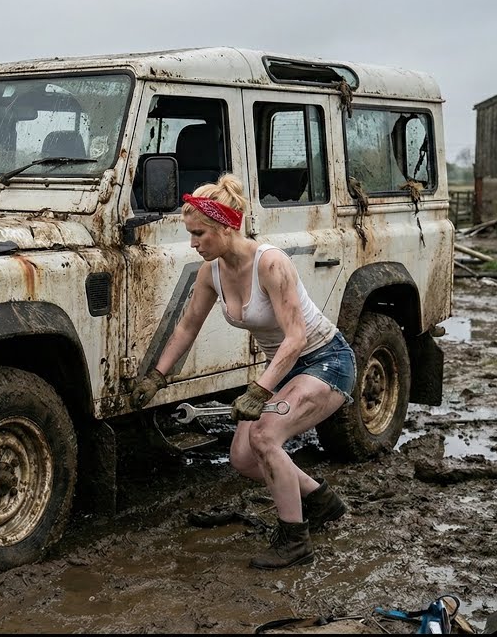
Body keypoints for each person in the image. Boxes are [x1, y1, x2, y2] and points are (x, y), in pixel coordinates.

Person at [128, 174, 357, 570]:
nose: (193, 242)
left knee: (266, 436)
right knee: (242, 458)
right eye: (191, 234)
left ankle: (294, 538)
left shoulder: (271, 262)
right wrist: (157, 377)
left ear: (223, 226)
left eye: (199, 233)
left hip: (326, 362)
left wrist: (259, 391)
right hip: (283, 370)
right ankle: (320, 500)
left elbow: (296, 339)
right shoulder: (211, 272)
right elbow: (187, 326)